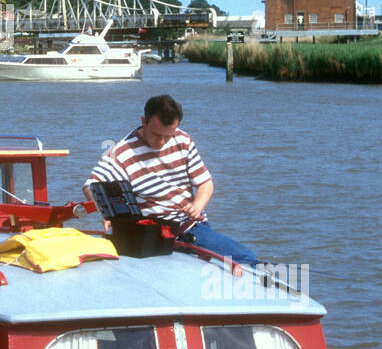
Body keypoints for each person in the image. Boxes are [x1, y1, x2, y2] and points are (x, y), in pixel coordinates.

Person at [84, 93, 257, 267]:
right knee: (245, 259)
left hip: (190, 228)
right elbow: (91, 185)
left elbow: (206, 183)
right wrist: (105, 214)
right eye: (157, 135)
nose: (162, 142)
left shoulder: (183, 140)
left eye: (168, 136)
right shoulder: (122, 152)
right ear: (144, 121)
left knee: (247, 258)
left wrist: (197, 207)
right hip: (151, 235)